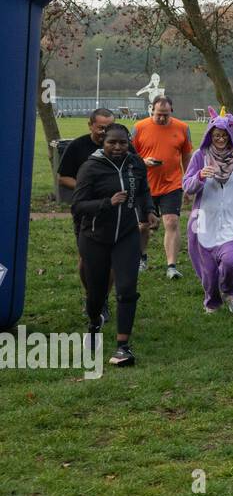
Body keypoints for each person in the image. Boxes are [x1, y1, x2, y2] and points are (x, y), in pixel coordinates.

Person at [72, 122, 157, 367]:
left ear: (129, 141)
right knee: (97, 292)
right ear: (102, 142)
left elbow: (142, 190)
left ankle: (123, 347)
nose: (118, 147)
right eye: (112, 142)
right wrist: (107, 203)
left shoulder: (135, 163)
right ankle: (93, 324)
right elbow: (77, 206)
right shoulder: (90, 168)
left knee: (127, 288)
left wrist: (149, 210)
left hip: (127, 235)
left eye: (122, 142)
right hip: (95, 237)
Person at [181, 108, 233, 313]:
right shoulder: (200, 157)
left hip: (232, 219)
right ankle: (212, 300)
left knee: (230, 260)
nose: (220, 139)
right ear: (210, 135)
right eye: (216, 135)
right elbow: (187, 186)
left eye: (224, 135)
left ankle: (230, 291)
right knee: (209, 270)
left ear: (231, 136)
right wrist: (200, 176)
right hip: (203, 221)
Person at [59, 107, 116, 322]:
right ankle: (90, 295)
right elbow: (63, 177)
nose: (105, 132)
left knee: (111, 260)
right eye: (101, 127)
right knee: (86, 260)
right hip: (85, 211)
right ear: (90, 125)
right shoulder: (78, 146)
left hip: (112, 211)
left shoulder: (120, 146)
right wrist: (86, 188)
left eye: (109, 127)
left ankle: (102, 300)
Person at [131, 96, 193, 280]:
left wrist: (187, 182)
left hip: (172, 184)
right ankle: (142, 258)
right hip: (145, 186)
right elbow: (129, 156)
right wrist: (144, 162)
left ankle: (171, 266)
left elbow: (187, 156)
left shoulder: (182, 128)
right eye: (158, 114)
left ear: (171, 111)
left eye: (165, 115)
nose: (162, 118)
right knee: (143, 226)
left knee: (172, 222)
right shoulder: (139, 128)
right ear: (152, 110)